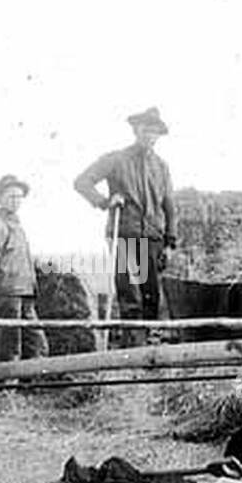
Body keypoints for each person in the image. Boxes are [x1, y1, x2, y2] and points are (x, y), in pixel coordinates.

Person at [73, 107, 176, 347]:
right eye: (145, 130)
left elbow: (170, 206)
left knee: (151, 295)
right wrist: (105, 201)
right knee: (131, 296)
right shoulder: (116, 160)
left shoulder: (161, 167)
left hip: (152, 238)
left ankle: (150, 348)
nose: (150, 135)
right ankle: (133, 348)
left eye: (154, 132)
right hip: (127, 236)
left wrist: (170, 240)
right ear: (135, 130)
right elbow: (82, 182)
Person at [0, 174, 48, 363]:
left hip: (25, 291)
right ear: (0, 199)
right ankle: (3, 386)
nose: (16, 201)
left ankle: (31, 381)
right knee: (8, 343)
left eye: (19, 197)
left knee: (34, 340)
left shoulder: (17, 226)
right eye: (11, 196)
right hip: (7, 293)